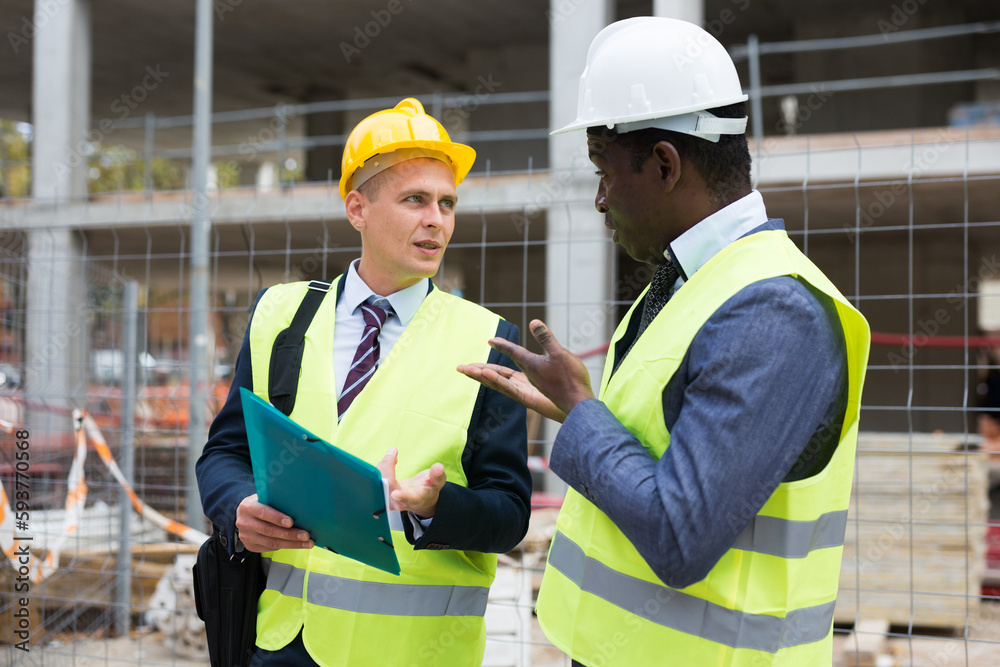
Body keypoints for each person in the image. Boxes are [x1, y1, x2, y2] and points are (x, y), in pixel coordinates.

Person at [459, 17, 871, 667]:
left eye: (603, 171)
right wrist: (575, 408)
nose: (600, 199)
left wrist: (583, 413)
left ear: (664, 164)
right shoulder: (687, 285)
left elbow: (681, 535)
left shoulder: (774, 312)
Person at [197, 98, 531, 667]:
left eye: (448, 202)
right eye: (415, 200)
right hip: (280, 644)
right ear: (358, 209)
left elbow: (509, 512)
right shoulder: (281, 316)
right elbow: (225, 452)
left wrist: (436, 508)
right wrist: (237, 506)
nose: (437, 220)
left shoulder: (489, 340)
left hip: (413, 655)